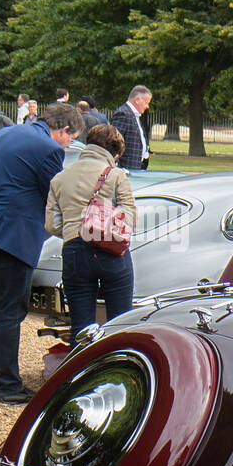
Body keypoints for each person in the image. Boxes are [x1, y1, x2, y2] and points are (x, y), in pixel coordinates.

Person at [0, 102, 84, 404]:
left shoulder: (6, 133)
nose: (69, 144)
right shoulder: (49, 150)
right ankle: (9, 385)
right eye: (71, 138)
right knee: (10, 312)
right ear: (63, 130)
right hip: (16, 237)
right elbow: (53, 194)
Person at [45, 123, 137, 336]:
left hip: (74, 251)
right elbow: (130, 217)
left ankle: (81, 366)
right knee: (119, 324)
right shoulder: (115, 175)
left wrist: (75, 230)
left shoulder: (59, 178)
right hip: (110, 251)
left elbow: (52, 225)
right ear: (114, 153)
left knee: (81, 328)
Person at [110, 85, 153, 169]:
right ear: (137, 100)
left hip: (136, 166)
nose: (147, 106)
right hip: (126, 168)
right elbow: (113, 142)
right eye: (146, 103)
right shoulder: (123, 114)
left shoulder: (134, 115)